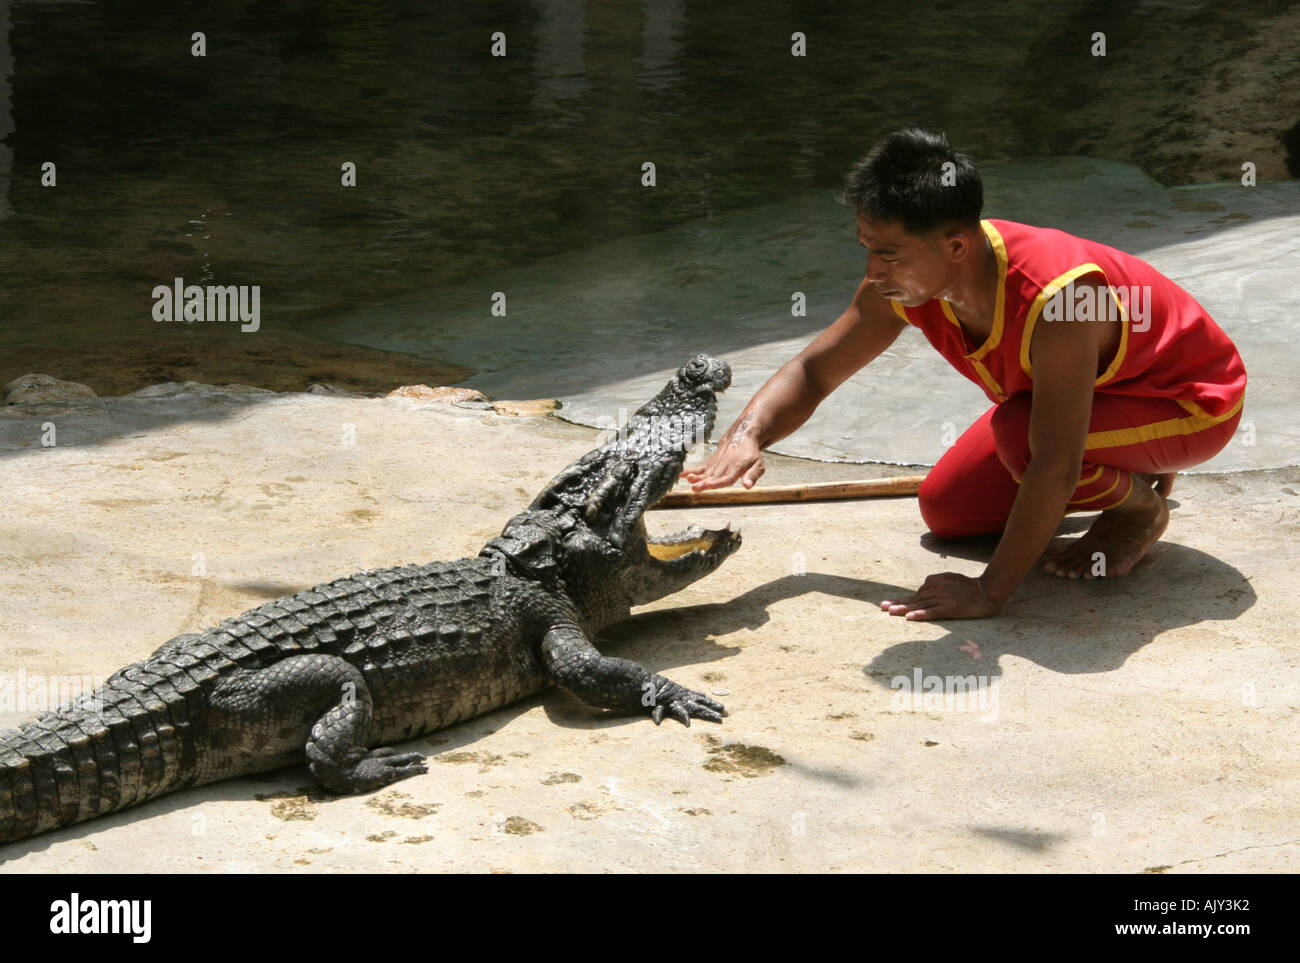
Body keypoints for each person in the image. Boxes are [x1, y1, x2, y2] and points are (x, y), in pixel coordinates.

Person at [680, 127, 1246, 621]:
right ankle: (1129, 481)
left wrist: (990, 592)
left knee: (1025, 441)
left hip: (1189, 406)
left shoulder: (1063, 297)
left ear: (955, 245)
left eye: (889, 254)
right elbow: (815, 370)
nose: (873, 271)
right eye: (867, 249)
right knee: (949, 511)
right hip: (1083, 408)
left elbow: (1055, 459)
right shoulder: (905, 283)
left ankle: (1141, 511)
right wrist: (748, 434)